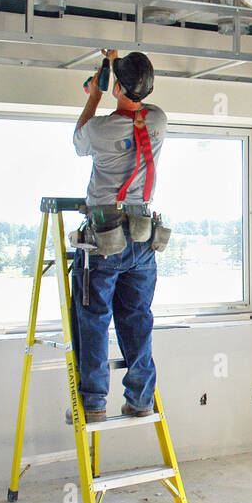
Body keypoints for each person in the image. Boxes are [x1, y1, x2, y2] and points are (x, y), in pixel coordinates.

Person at [68, 49, 165, 424]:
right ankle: (140, 398)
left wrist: (94, 94)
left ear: (119, 86)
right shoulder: (159, 120)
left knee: (93, 318)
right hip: (142, 237)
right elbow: (135, 108)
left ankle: (93, 403)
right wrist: (119, 67)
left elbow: (78, 141)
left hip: (105, 237)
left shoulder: (100, 129)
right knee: (137, 316)